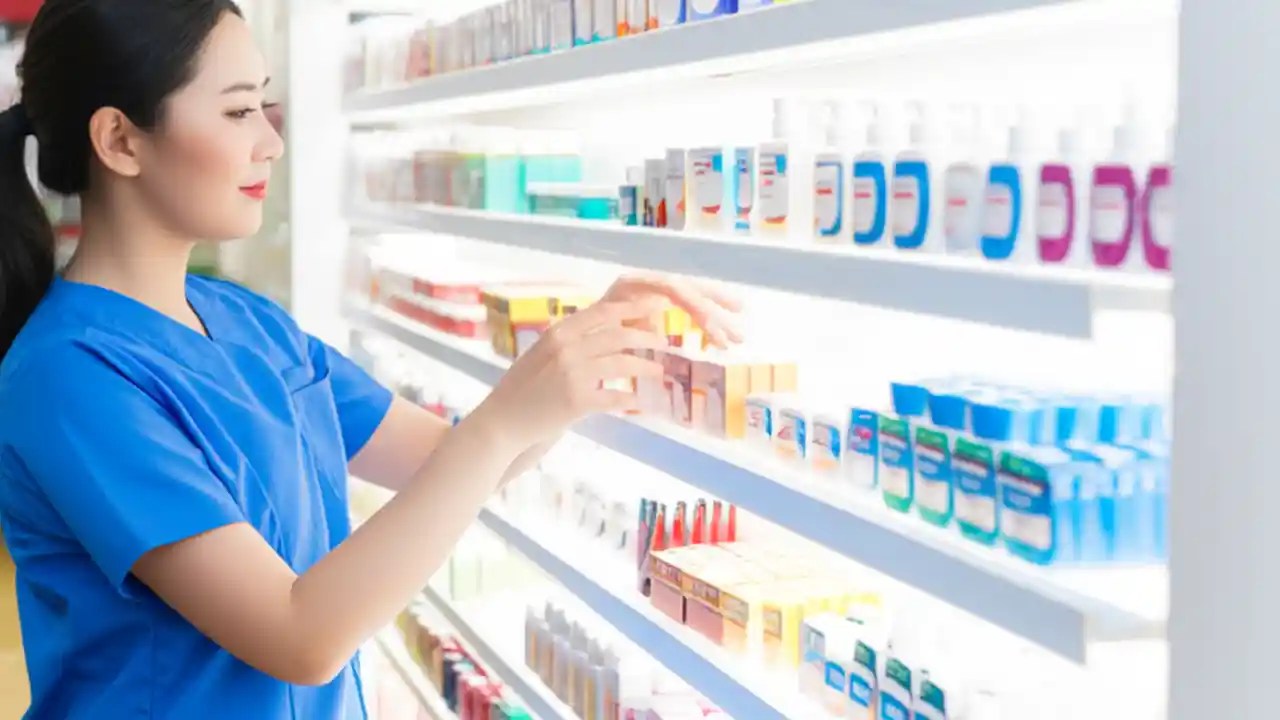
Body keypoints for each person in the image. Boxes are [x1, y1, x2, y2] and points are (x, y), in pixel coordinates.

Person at [0, 2, 741, 719]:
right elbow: (298, 637)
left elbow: (451, 463)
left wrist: (588, 355)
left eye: (266, 105)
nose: (271, 142)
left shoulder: (247, 321)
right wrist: (508, 417)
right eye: (237, 112)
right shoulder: (68, 377)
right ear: (120, 141)